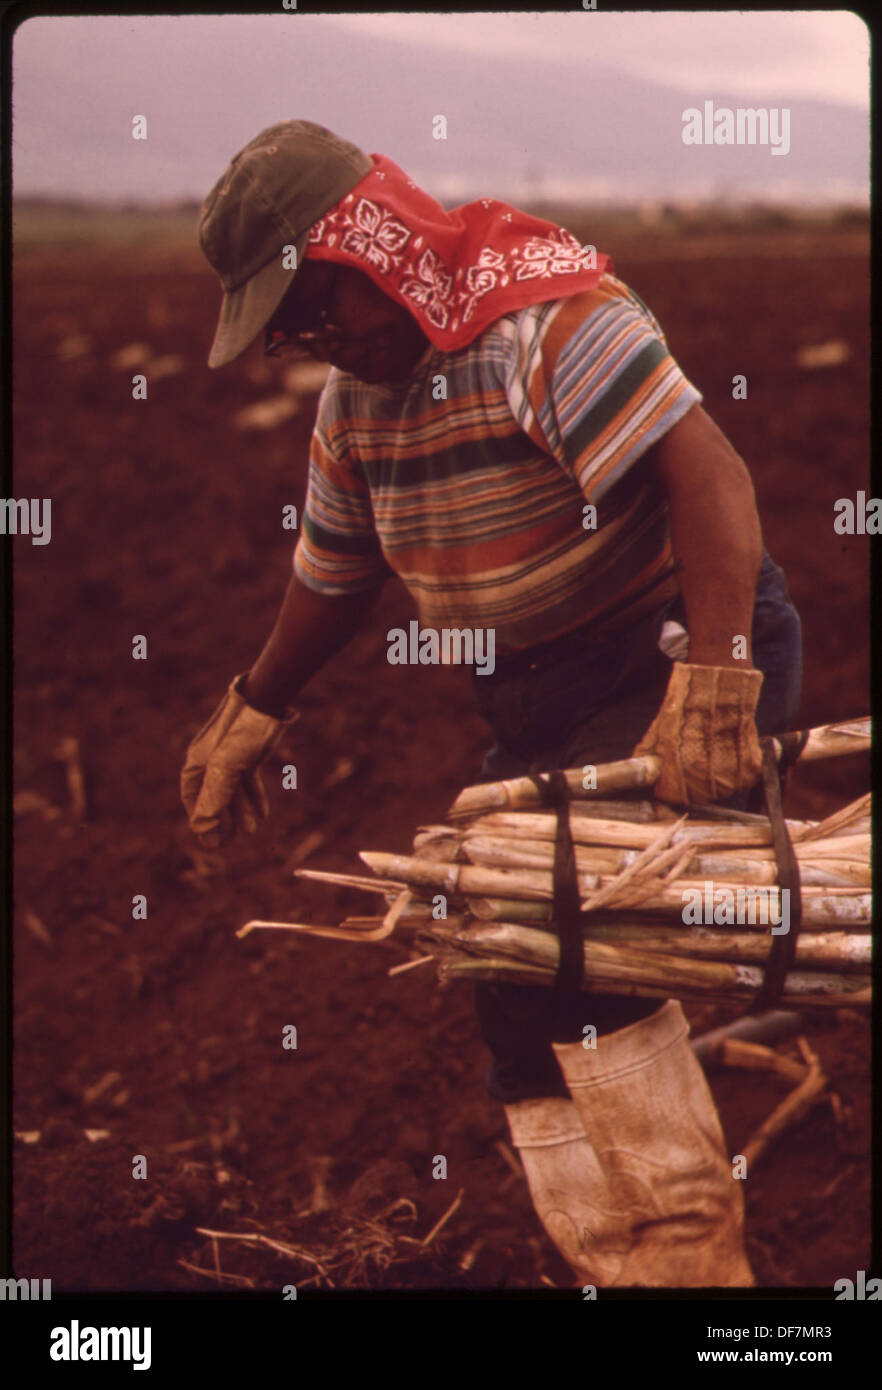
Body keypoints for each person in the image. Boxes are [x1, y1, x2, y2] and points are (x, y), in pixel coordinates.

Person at [181, 120, 803, 1287]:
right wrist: (254, 706)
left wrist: (717, 673)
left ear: (374, 252)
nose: (312, 346)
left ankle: (700, 1275)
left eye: (315, 312)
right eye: (290, 335)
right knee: (505, 974)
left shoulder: (545, 321)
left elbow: (706, 471)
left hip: (671, 650)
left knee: (581, 928)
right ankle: (621, 1263)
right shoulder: (355, 407)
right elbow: (333, 570)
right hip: (539, 693)